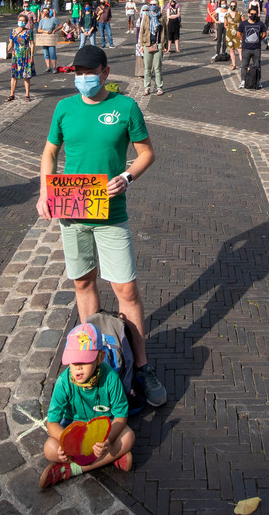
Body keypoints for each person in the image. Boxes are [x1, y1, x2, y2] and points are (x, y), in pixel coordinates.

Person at [35, 45, 165, 409]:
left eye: (89, 73)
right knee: (83, 283)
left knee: (126, 290)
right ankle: (90, 357)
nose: (83, 79)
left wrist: (127, 177)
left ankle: (141, 366)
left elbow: (146, 153)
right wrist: (45, 191)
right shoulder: (64, 108)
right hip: (72, 210)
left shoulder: (125, 107)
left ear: (105, 73)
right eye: (78, 73)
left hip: (111, 213)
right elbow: (50, 152)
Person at [38, 323, 136, 489]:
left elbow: (121, 416)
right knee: (49, 449)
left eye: (84, 361)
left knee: (128, 437)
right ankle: (111, 458)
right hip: (73, 433)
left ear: (100, 357)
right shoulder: (63, 382)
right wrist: (65, 443)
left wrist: (108, 440)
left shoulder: (110, 378)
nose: (77, 367)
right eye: (73, 362)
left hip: (101, 433)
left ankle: (71, 470)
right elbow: (52, 422)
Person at [138, 4, 165, 96]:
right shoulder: (147, 16)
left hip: (158, 44)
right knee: (147, 68)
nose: (152, 6)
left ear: (157, 6)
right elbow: (142, 31)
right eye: (151, 4)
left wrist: (164, 45)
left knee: (157, 68)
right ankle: (147, 88)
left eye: (154, 4)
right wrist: (141, 45)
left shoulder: (161, 17)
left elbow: (165, 31)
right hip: (147, 44)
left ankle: (159, 88)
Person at [8, 14, 35, 101]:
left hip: (26, 55)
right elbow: (11, 43)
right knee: (14, 75)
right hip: (16, 55)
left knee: (26, 75)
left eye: (23, 21)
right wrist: (5, 52)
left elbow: (32, 44)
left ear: (26, 22)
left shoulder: (29, 32)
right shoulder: (13, 31)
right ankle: (12, 94)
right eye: (20, 20)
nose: (21, 22)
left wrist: (32, 56)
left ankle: (27, 94)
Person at [238, 5, 264, 90]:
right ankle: (243, 81)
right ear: (248, 14)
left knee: (257, 65)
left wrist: (259, 40)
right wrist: (244, 40)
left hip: (256, 48)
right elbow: (238, 34)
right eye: (252, 14)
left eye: (255, 14)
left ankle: (258, 81)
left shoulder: (260, 24)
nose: (253, 15)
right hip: (246, 48)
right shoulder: (243, 23)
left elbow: (264, 34)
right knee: (244, 65)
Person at [37, 5, 60, 74]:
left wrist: (55, 30)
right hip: (44, 38)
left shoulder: (53, 19)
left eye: (46, 11)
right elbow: (39, 30)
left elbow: (60, 25)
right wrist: (45, 31)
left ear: (49, 12)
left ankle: (54, 67)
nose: (45, 13)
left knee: (52, 52)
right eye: (44, 12)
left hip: (51, 38)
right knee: (46, 53)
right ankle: (48, 67)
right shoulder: (42, 21)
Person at [224, 1, 243, 72]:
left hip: (238, 34)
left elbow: (244, 23)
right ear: (229, 6)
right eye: (231, 5)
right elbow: (225, 25)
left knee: (240, 50)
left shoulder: (240, 14)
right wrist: (229, 29)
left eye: (234, 5)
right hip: (230, 35)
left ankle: (244, 65)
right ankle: (234, 64)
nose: (233, 7)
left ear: (236, 6)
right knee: (231, 50)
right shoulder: (227, 15)